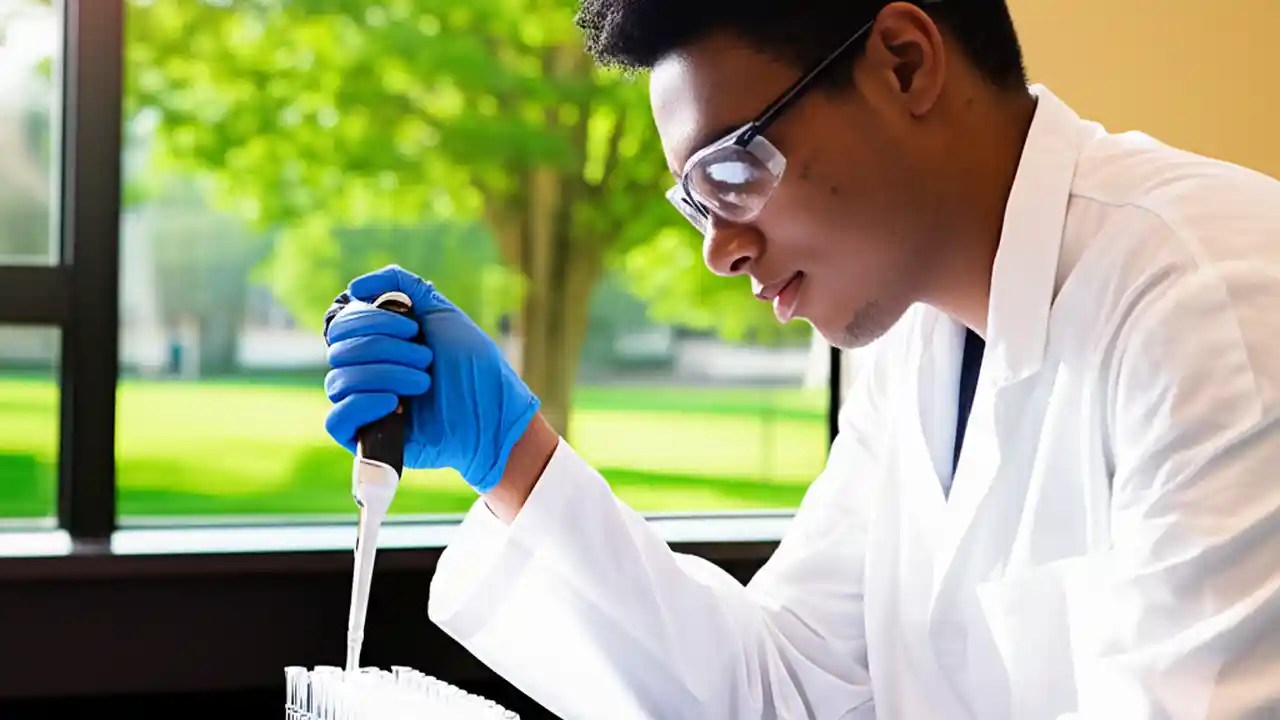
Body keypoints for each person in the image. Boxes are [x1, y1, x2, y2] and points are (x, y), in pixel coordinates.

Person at [319, 0, 1280, 717]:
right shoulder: (913, 345)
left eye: (730, 173)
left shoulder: (1210, 299)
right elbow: (780, 689)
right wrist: (513, 456)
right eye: (696, 204)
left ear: (903, 64)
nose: (719, 248)